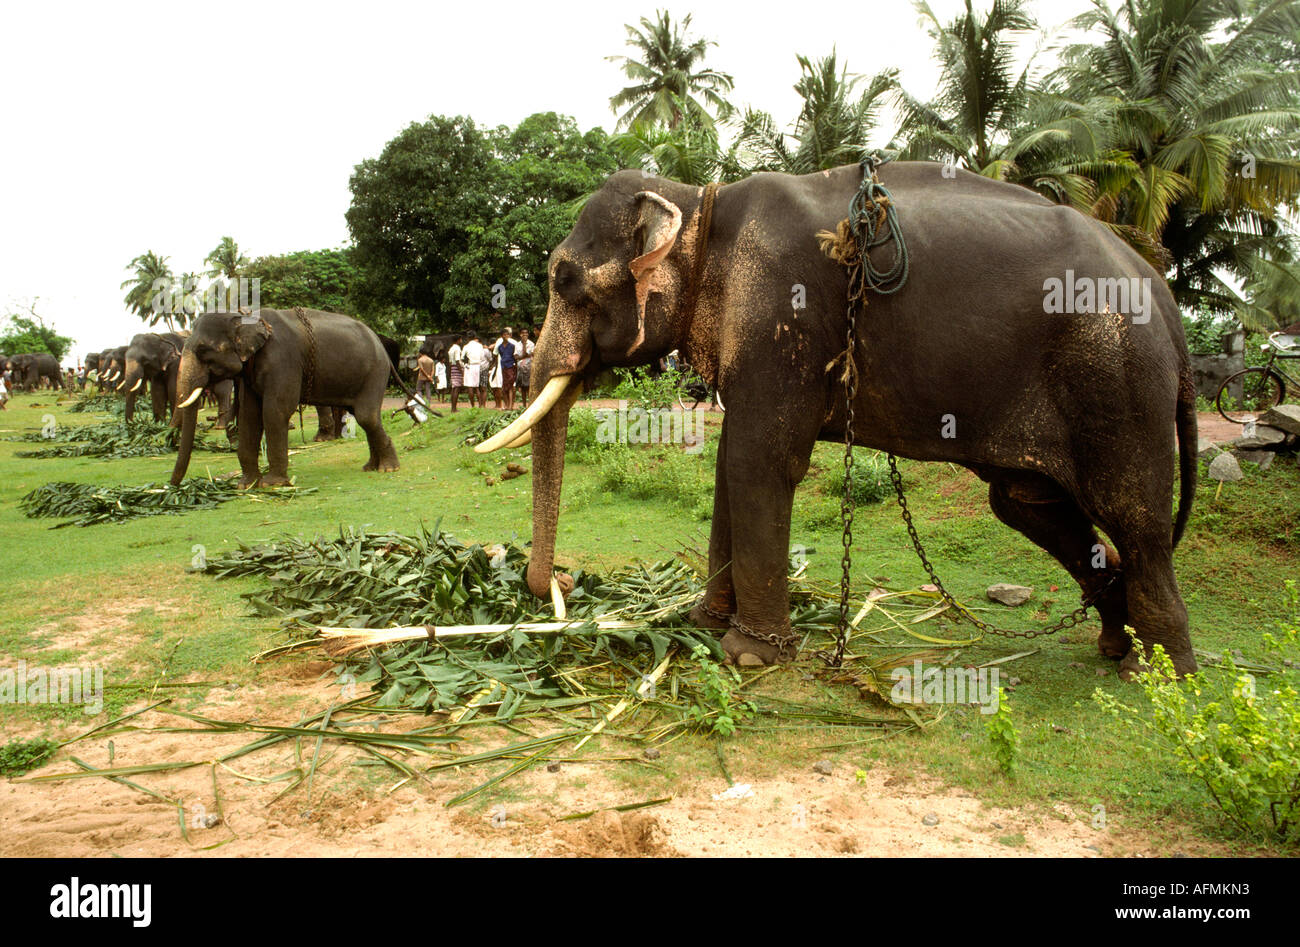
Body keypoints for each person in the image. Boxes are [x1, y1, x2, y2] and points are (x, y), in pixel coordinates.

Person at [492, 327, 522, 410]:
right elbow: (495, 356)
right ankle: (507, 404)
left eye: (507, 334)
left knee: (511, 386)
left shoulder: (512, 345)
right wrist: (493, 367)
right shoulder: (499, 347)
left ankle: (510, 406)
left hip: (511, 367)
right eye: (504, 334)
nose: (506, 336)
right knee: (504, 387)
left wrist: (516, 366)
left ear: (510, 335)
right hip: (503, 367)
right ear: (501, 336)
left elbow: (515, 356)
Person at [461, 332, 485, 408]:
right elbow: (482, 357)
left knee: (470, 387)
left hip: (469, 366)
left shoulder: (466, 346)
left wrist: (464, 365)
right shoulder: (480, 346)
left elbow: (461, 358)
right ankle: (480, 405)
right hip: (477, 366)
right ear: (475, 337)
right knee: (476, 386)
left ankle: (472, 405)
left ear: (468, 338)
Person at [515, 327, 536, 406]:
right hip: (520, 368)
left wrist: (524, 345)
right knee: (522, 387)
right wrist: (523, 356)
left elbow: (527, 354)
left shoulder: (531, 344)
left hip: (528, 367)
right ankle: (524, 405)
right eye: (523, 333)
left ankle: (530, 404)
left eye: (526, 333)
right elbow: (516, 356)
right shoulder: (517, 344)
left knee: (528, 386)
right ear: (520, 334)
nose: (525, 335)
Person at [447, 334, 466, 412]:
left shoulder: (451, 348)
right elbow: (457, 360)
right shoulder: (457, 348)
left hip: (453, 368)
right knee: (457, 388)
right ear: (458, 340)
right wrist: (462, 372)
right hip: (457, 368)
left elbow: (450, 362)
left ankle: (453, 408)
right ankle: (454, 408)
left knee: (454, 388)